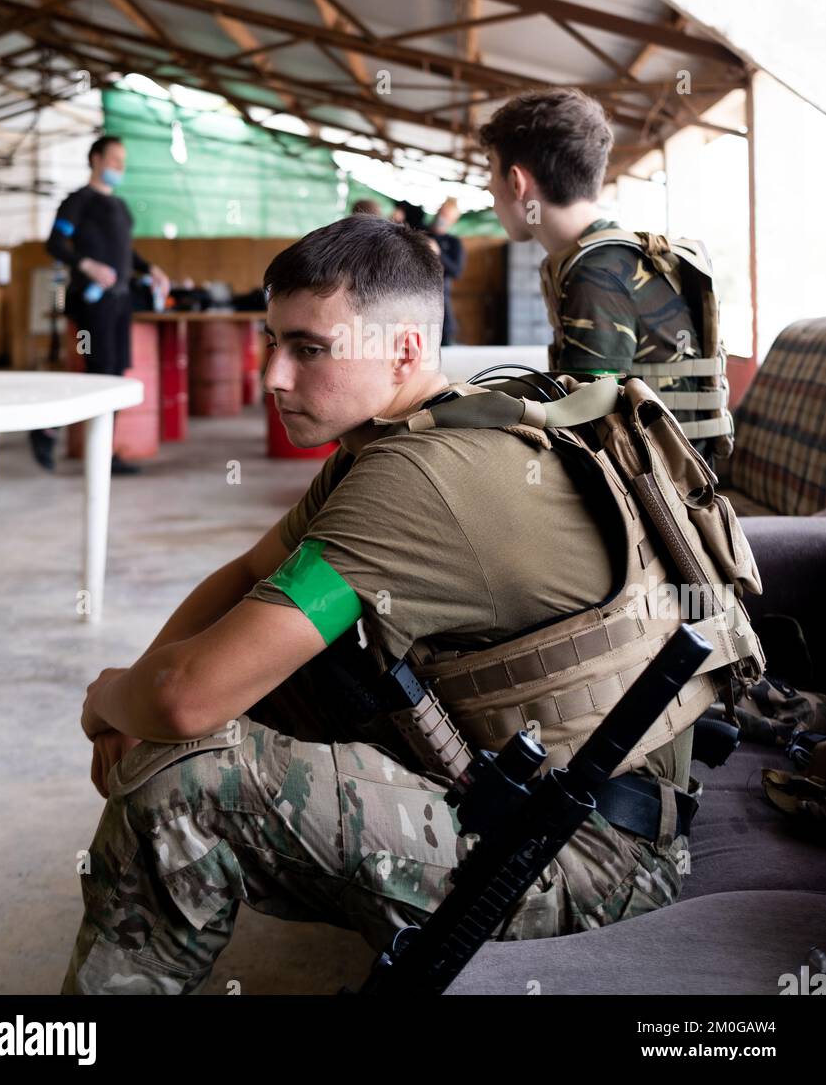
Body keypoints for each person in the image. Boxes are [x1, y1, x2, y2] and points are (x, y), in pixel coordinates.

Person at [62, 214, 701, 996]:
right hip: (530, 795)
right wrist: (146, 696)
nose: (273, 376)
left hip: (584, 857)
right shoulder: (413, 432)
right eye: (272, 341)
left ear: (402, 349)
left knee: (185, 782)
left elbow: (185, 698)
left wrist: (111, 700)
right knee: (250, 679)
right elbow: (246, 572)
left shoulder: (419, 480)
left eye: (309, 348)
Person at [480, 88, 731, 462]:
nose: (488, 187)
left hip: (666, 504)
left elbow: (583, 435)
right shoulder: (606, 256)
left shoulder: (596, 273)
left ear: (516, 181)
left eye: (490, 168)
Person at [31, 135, 170, 475]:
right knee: (97, 374)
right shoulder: (79, 201)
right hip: (91, 301)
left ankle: (102, 453)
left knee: (115, 374)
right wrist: (87, 265)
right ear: (95, 159)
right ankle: (45, 426)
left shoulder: (119, 207)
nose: (119, 167)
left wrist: (150, 268)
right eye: (113, 159)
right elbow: (55, 242)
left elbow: (125, 251)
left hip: (120, 301)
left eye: (123, 161)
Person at [426, 197, 465, 345]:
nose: (442, 218)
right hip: (415, 293)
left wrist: (439, 253)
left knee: (445, 334)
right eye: (442, 213)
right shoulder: (421, 232)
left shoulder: (453, 242)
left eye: (447, 216)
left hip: (440, 297)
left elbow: (457, 271)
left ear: (453, 221)